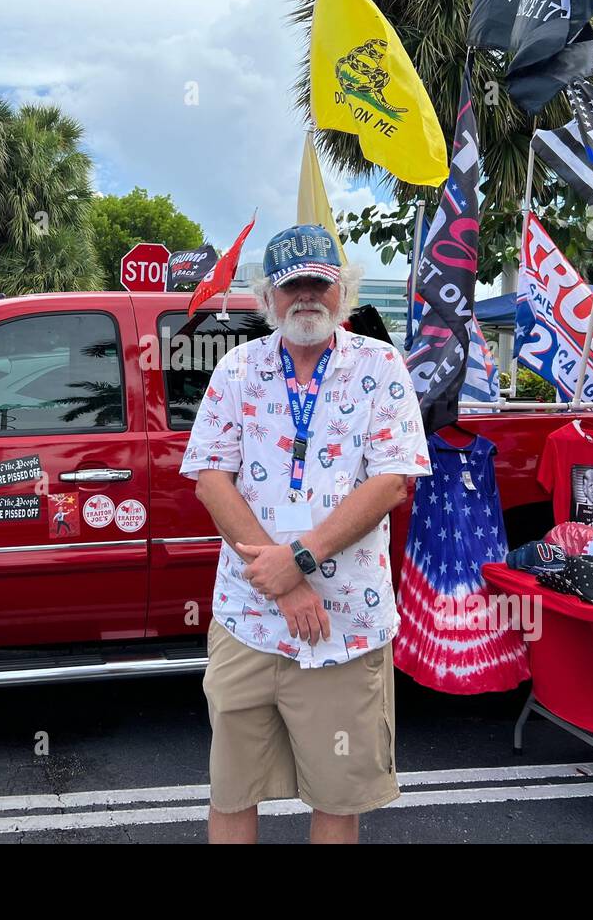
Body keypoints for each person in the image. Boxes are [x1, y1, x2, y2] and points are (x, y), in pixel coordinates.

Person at [181, 224, 430, 844]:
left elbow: (393, 481)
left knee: (336, 799)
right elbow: (211, 480)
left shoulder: (380, 365)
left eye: (321, 281)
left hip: (347, 624)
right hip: (248, 620)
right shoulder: (237, 369)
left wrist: (300, 560)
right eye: (293, 286)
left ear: (342, 289)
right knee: (232, 791)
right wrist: (287, 586)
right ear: (268, 298)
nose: (308, 296)